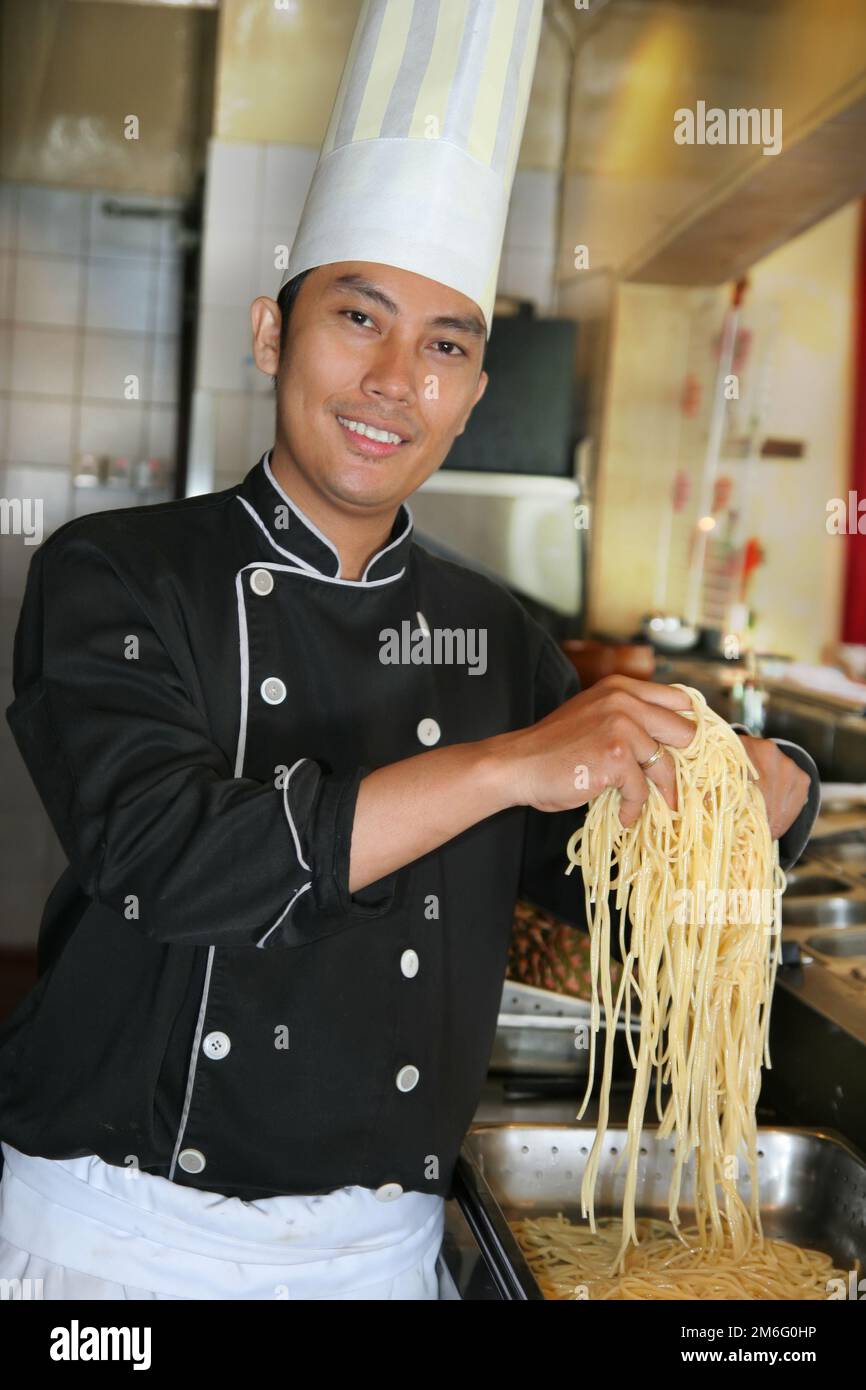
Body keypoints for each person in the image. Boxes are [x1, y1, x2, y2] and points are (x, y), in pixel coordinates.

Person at [0, 1, 817, 1301]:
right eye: (357, 320)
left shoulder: (496, 629)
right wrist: (504, 766)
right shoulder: (112, 572)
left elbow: (606, 883)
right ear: (274, 334)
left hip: (378, 1250)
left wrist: (756, 794)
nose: (395, 381)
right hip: (121, 1237)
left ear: (476, 392)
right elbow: (164, 857)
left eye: (445, 347)